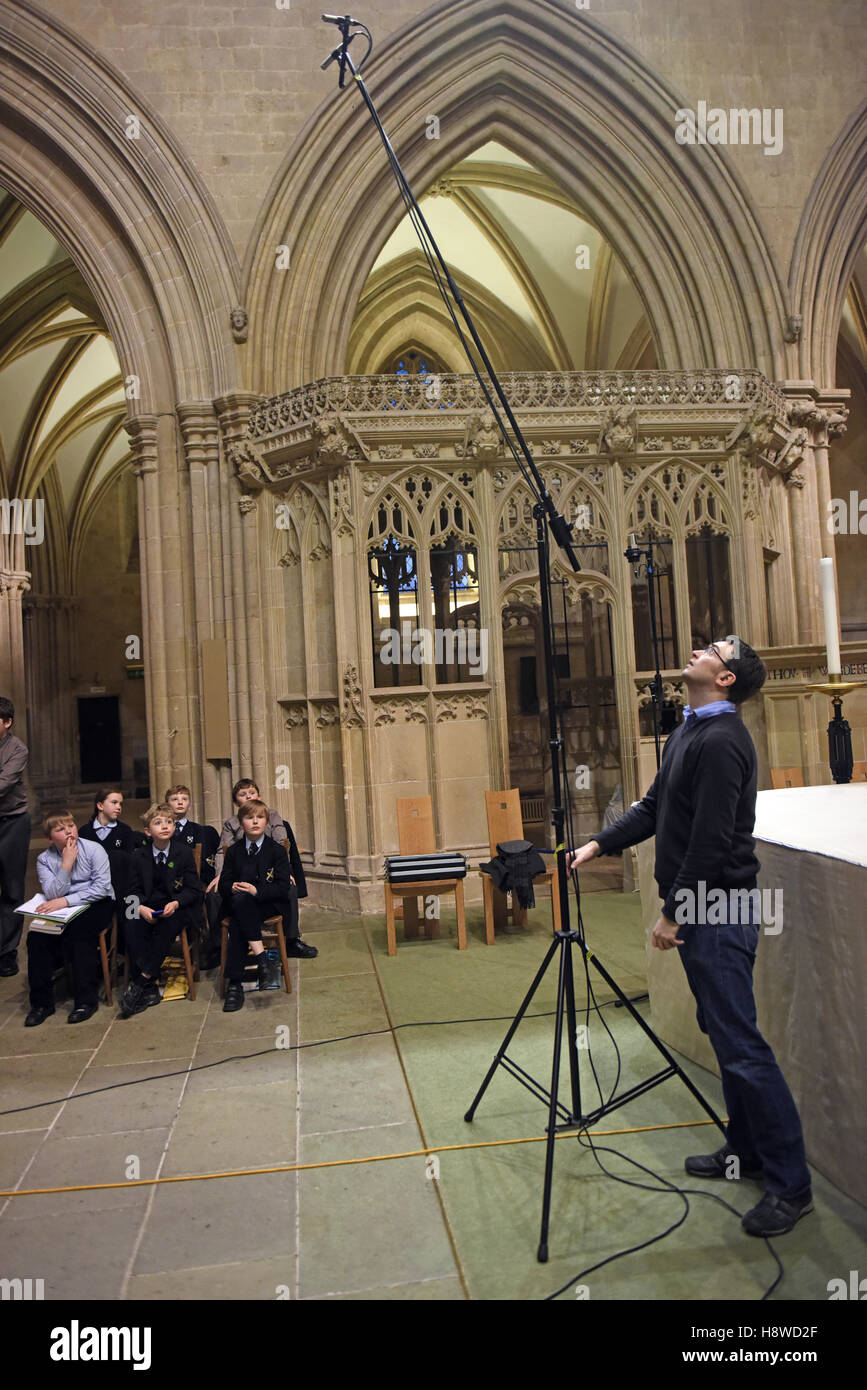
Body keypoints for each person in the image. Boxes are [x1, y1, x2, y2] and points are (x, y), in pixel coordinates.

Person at [567, 638, 812, 1239]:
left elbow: (709, 839)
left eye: (714, 649)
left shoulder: (725, 741)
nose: (700, 648)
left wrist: (674, 913)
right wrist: (600, 843)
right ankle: (746, 1151)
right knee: (725, 1035)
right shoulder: (689, 731)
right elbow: (654, 807)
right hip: (708, 906)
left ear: (726, 679)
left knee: (743, 1045)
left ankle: (791, 1185)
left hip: (721, 907)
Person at [219, 798, 311, 1013]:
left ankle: (235, 984)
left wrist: (256, 891)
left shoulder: (277, 851)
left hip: (268, 904)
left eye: (260, 817)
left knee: (239, 921)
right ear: (241, 823)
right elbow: (223, 882)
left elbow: (283, 887)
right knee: (241, 905)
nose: (255, 822)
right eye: (249, 818)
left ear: (267, 822)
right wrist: (232, 886)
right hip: (240, 903)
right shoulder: (233, 852)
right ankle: (262, 960)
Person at [25, 811, 114, 1026]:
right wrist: (66, 864)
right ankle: (41, 1004)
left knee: (80, 934)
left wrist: (67, 901)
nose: (69, 831)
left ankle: (86, 1001)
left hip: (95, 903)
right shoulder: (44, 859)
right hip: (61, 906)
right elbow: (53, 893)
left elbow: (101, 888)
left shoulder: (94, 849)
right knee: (36, 937)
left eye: (71, 826)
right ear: (49, 838)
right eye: (60, 829)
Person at [118, 803, 203, 1018]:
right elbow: (131, 891)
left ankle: (142, 980)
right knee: (130, 920)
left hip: (175, 905)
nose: (165, 826)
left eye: (169, 822)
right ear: (148, 831)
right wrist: (141, 908)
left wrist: (176, 903)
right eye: (158, 823)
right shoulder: (138, 856)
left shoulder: (183, 853)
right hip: (147, 904)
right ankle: (149, 988)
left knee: (167, 926)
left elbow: (194, 888)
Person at [208, 779, 312, 948]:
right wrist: (220, 875)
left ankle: (291, 940)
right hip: (241, 873)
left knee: (290, 889)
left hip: (269, 871)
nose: (248, 796)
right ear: (236, 802)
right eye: (242, 794)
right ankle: (217, 946)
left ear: (259, 796)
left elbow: (281, 842)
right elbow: (222, 851)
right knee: (213, 893)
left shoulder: (272, 816)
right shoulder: (232, 823)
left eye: (251, 792)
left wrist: (283, 872)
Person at [78, 786, 141, 957]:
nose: (119, 807)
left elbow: (130, 866)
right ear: (99, 805)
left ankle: (134, 964)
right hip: (96, 892)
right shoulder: (84, 832)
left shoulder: (125, 831)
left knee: (134, 916)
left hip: (124, 891)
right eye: (114, 802)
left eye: (120, 803)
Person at [165, 783, 220, 965]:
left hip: (192, 883)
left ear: (189, 804)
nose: (180, 803)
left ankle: (205, 946)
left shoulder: (199, 831)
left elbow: (207, 863)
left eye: (184, 799)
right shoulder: (164, 830)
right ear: (167, 804)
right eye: (174, 799)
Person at [0, 696, 31, 976]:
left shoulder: (17, 749)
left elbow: (3, 784)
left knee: (11, 888)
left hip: (12, 823)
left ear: (7, 722)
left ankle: (7, 952)